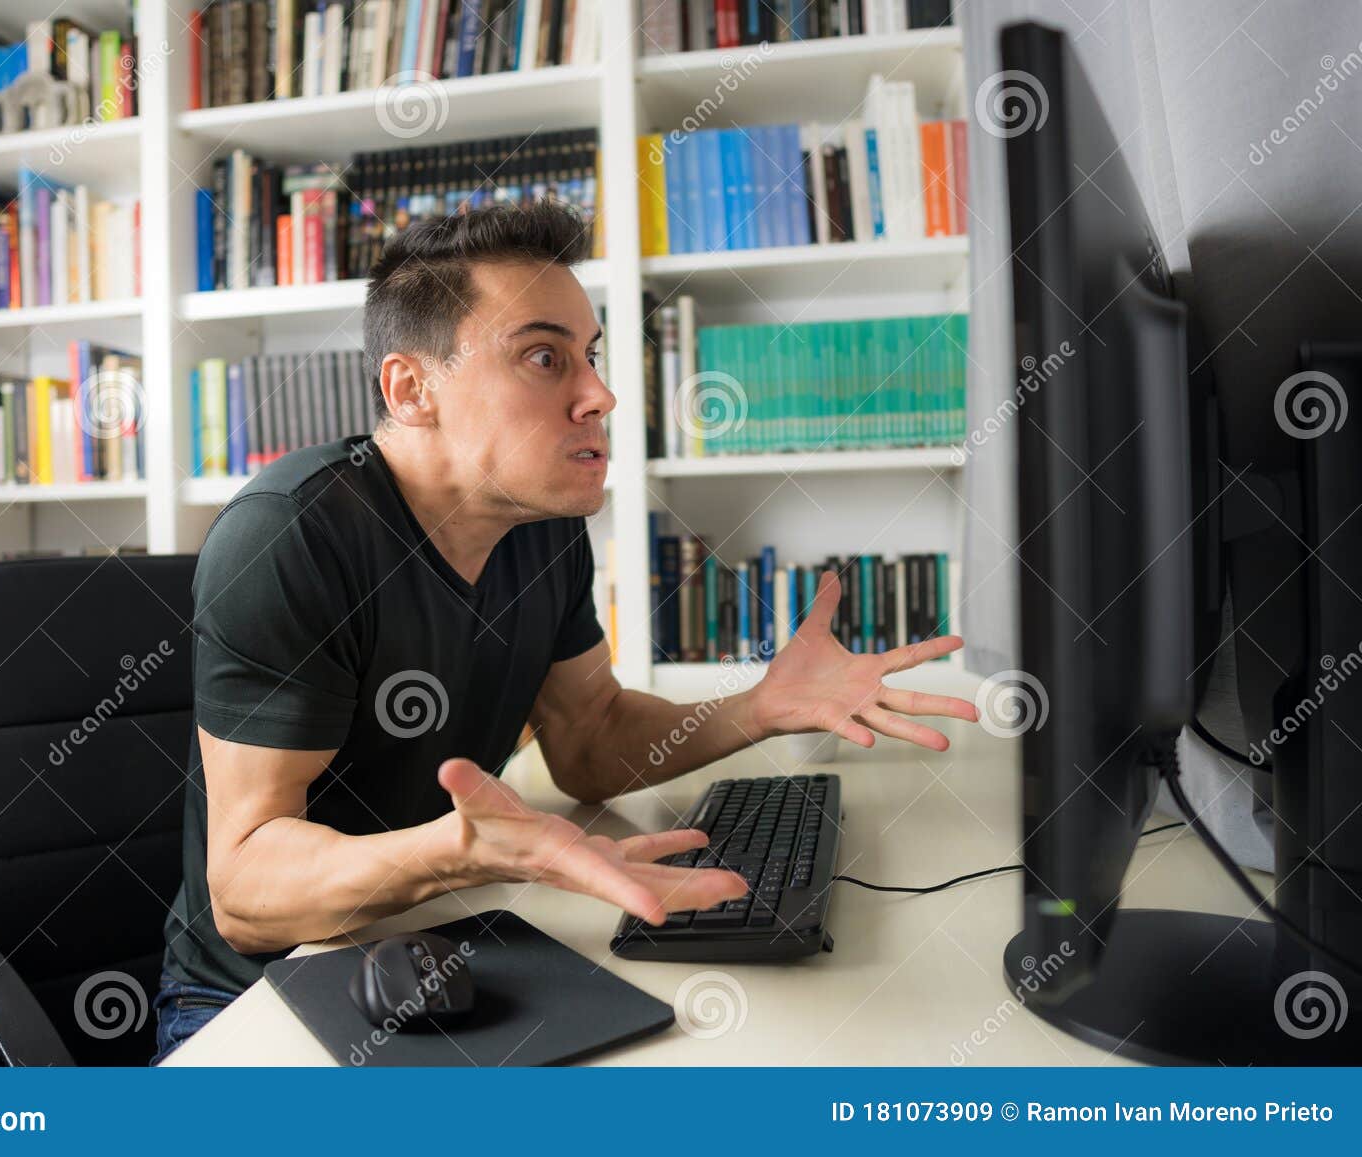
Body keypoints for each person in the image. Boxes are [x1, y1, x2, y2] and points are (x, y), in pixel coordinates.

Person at [152, 200, 978, 1063]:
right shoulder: (291, 535)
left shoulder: (543, 525)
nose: (601, 394)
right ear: (411, 388)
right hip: (252, 1002)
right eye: (544, 357)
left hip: (438, 938)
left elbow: (590, 739)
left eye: (590, 357)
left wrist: (761, 707)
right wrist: (464, 852)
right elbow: (244, 890)